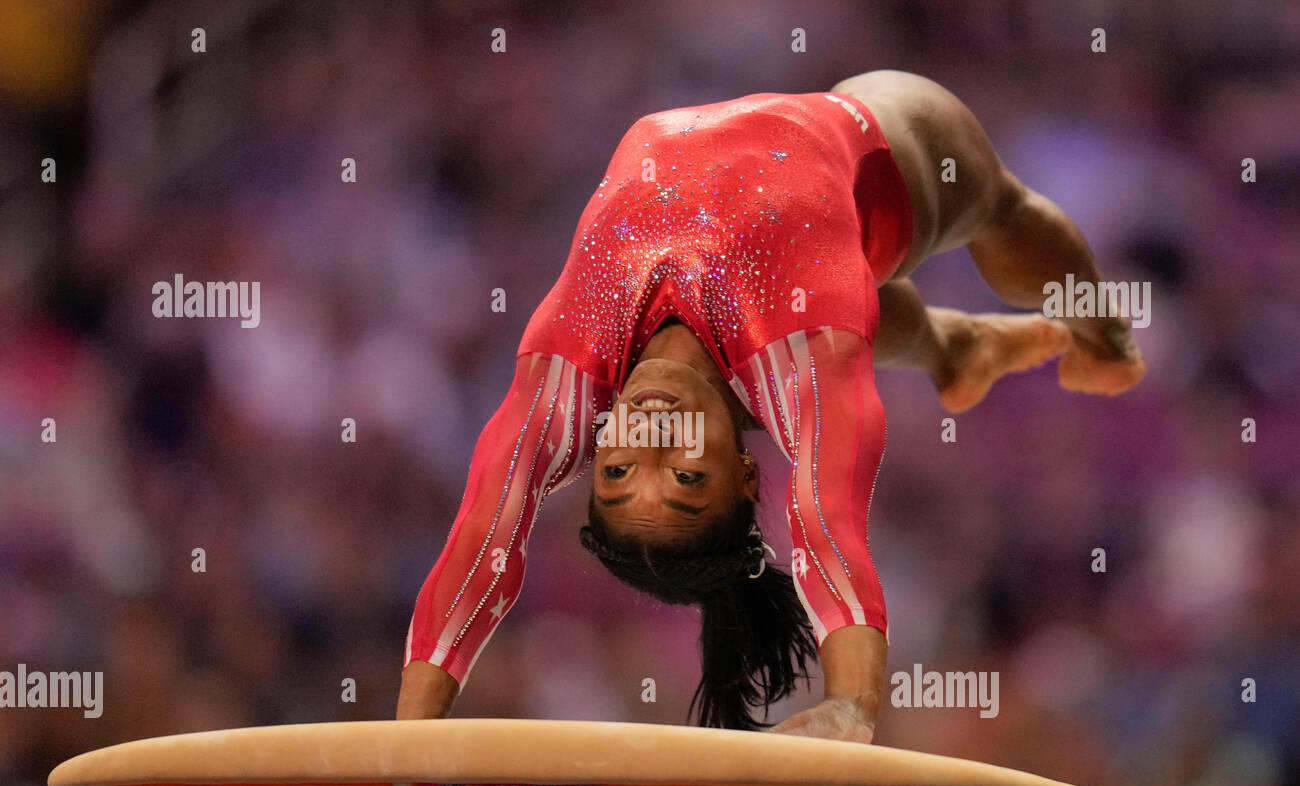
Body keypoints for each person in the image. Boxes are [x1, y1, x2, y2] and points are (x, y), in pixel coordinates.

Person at [395, 70, 1145, 740]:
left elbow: (481, 541)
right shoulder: (803, 360)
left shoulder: (566, 370)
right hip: (872, 163)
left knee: (838, 300)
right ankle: (1092, 328)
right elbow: (829, 524)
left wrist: (409, 732)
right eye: (688, 478)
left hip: (808, 275)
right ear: (749, 475)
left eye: (619, 471)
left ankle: (970, 346)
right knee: (990, 199)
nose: (654, 439)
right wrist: (853, 703)